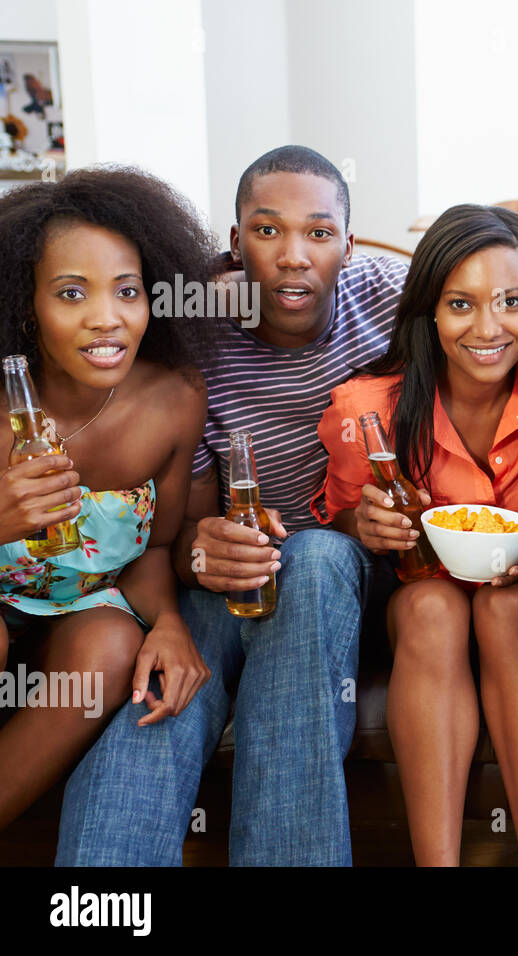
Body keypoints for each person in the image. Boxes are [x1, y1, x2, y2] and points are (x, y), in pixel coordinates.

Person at [56, 146, 407, 866]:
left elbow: (506, 325)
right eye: (267, 230)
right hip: (229, 577)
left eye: (318, 232)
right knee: (157, 701)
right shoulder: (189, 326)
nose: (292, 256)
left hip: (348, 566)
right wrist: (202, 550)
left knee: (310, 560)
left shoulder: (396, 297)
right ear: (234, 241)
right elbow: (172, 523)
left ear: (348, 241)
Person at [317, 204, 518, 865]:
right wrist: (362, 522)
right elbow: (336, 518)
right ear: (428, 310)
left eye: (511, 301)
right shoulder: (367, 410)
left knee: (505, 606)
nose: (487, 328)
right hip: (417, 608)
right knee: (433, 607)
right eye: (461, 304)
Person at [0, 167, 211, 832]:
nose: (107, 319)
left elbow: (152, 548)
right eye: (71, 293)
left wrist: (171, 625)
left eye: (127, 291)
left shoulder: (173, 400)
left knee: (115, 646)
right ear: (25, 305)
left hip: (85, 608)